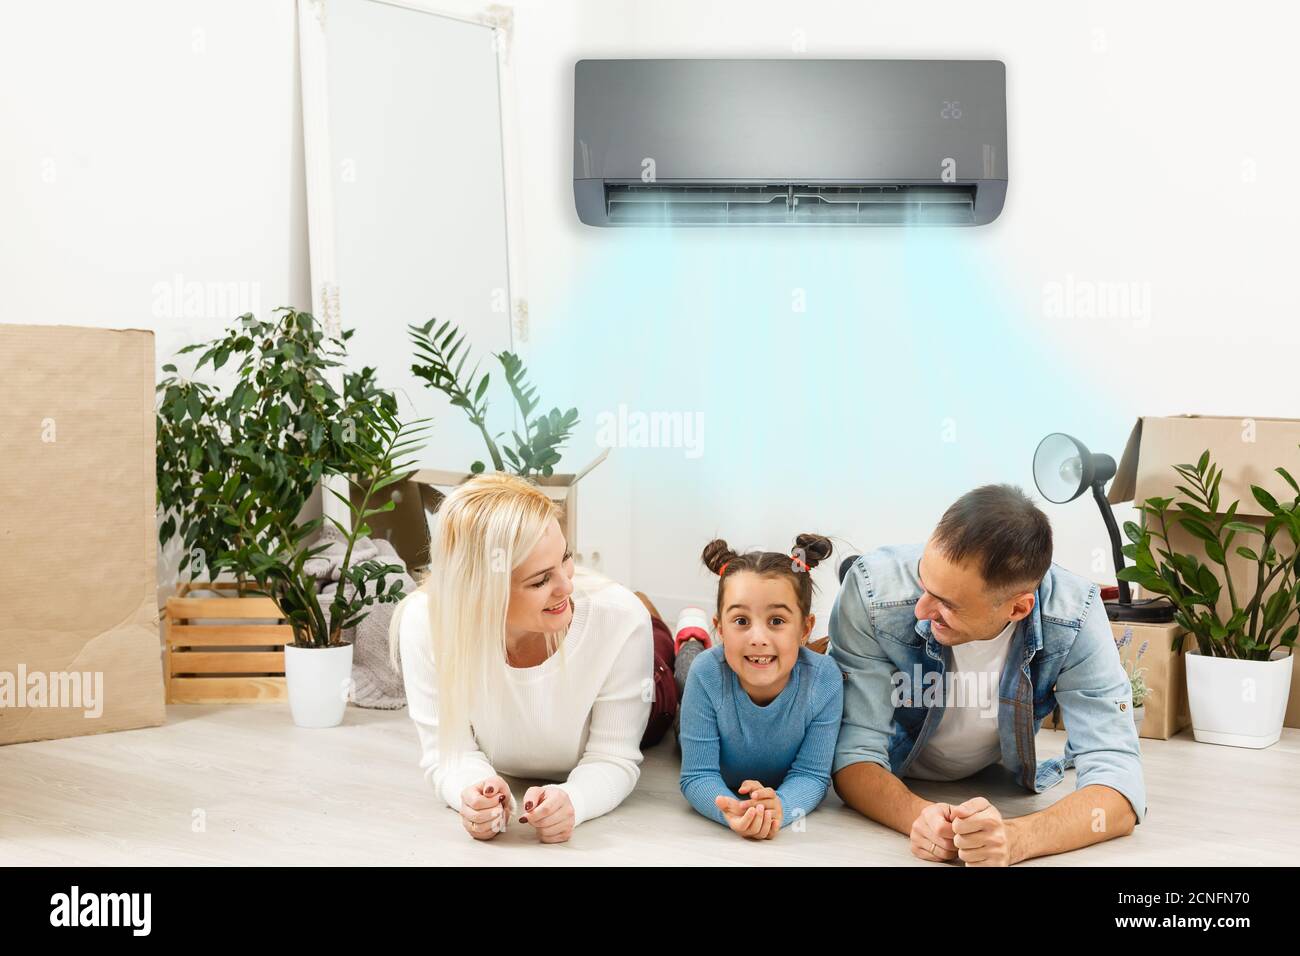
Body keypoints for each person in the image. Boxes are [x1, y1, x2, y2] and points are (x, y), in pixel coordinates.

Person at [830, 484, 1146, 866]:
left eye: (947, 604)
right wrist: (920, 819)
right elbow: (853, 755)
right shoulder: (870, 591)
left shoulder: (1074, 615)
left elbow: (1119, 784)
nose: (921, 610)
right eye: (924, 584)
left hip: (993, 783)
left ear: (1017, 609)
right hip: (897, 775)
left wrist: (1016, 838)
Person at [391, 472, 654, 844]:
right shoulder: (424, 621)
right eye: (539, 580)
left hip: (651, 676)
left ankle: (684, 629)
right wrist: (473, 792)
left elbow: (614, 757)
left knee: (673, 665)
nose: (567, 584)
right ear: (482, 590)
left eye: (566, 558)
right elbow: (447, 755)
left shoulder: (622, 620)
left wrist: (574, 801)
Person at [677, 535, 844, 839]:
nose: (758, 637)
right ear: (721, 628)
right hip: (695, 685)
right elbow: (698, 774)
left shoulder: (824, 680)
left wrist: (781, 806)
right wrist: (728, 810)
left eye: (777, 620)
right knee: (683, 670)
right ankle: (690, 633)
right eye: (741, 620)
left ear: (805, 629)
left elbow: (811, 775)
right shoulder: (706, 675)